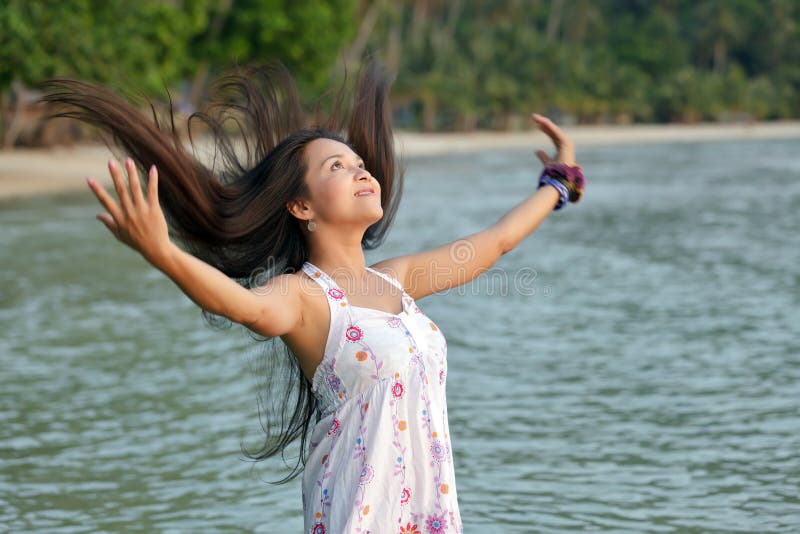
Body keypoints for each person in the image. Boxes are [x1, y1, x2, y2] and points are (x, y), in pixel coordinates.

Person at [41, 60, 584, 533]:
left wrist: (558, 181)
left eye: (358, 163)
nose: (361, 169)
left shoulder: (398, 279)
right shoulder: (304, 298)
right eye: (337, 167)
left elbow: (496, 242)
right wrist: (163, 252)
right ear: (302, 207)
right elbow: (242, 306)